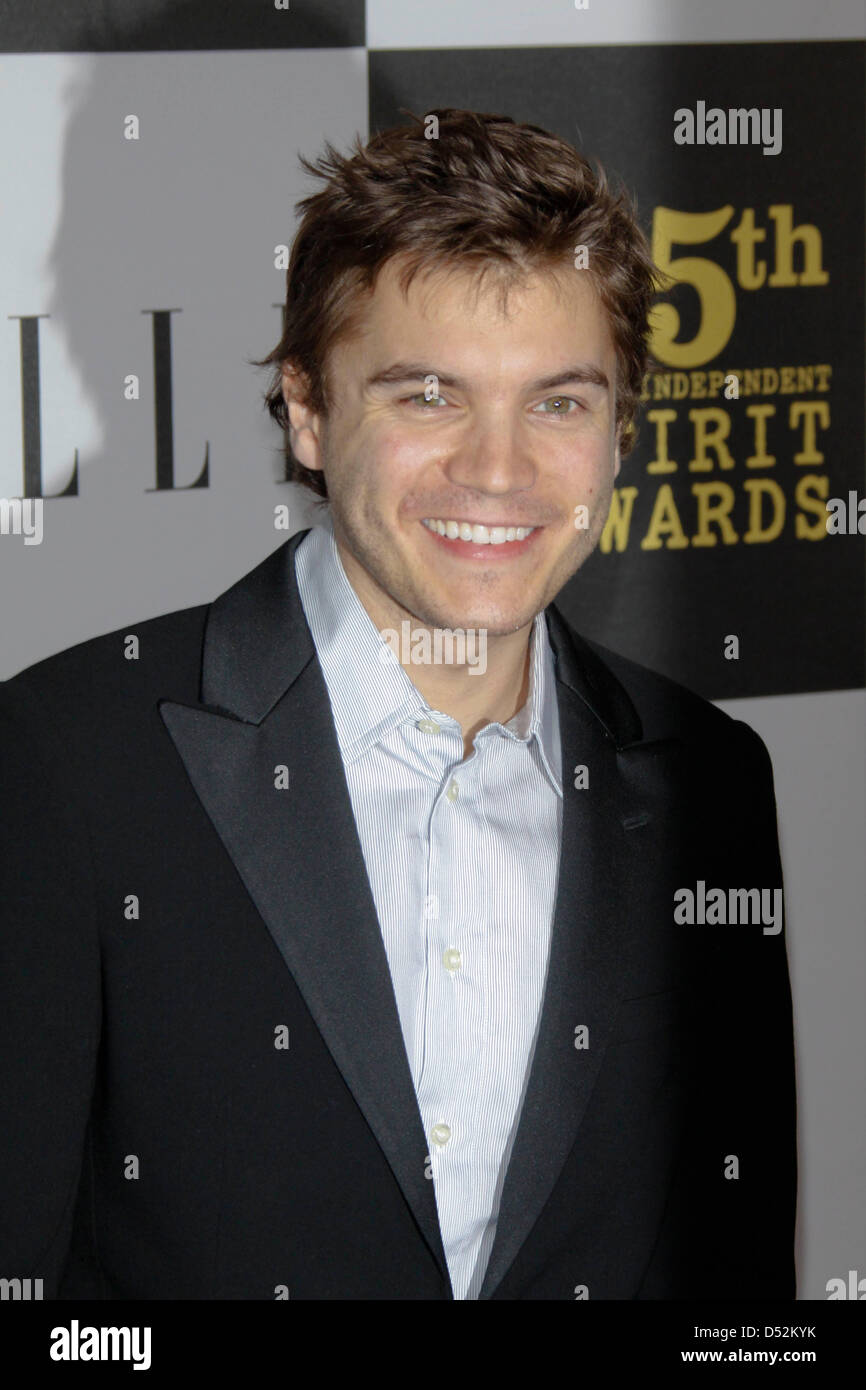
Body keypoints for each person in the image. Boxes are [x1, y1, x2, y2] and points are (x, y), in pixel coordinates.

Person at [0, 109, 795, 1300]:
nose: (498, 469)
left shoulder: (708, 779)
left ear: (621, 427)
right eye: (428, 396)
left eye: (558, 402)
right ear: (310, 410)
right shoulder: (66, 762)